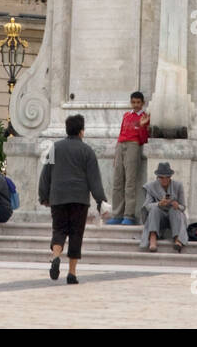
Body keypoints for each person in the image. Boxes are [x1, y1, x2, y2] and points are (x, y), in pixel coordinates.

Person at [38, 113, 107, 285]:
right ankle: (72, 273)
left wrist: (44, 196)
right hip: (79, 198)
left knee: (59, 230)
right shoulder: (87, 151)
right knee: (76, 234)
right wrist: (100, 200)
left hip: (58, 197)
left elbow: (45, 174)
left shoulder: (54, 148)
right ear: (81, 131)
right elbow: (94, 179)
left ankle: (55, 256)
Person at [107, 91, 149, 225]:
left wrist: (142, 126)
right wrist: (116, 154)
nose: (136, 105)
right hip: (120, 145)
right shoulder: (126, 115)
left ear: (142, 103)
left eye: (138, 102)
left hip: (133, 145)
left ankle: (128, 215)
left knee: (130, 182)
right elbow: (121, 133)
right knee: (117, 181)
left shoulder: (145, 117)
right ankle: (117, 214)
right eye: (133, 102)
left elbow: (143, 139)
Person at [140, 162, 189, 252]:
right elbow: (147, 206)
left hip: (174, 216)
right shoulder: (151, 187)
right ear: (158, 177)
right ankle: (152, 238)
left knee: (175, 210)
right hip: (159, 216)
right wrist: (159, 204)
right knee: (154, 209)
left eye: (167, 177)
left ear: (170, 177)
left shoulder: (178, 186)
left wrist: (177, 205)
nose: (164, 180)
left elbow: (183, 207)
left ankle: (178, 239)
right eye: (161, 177)